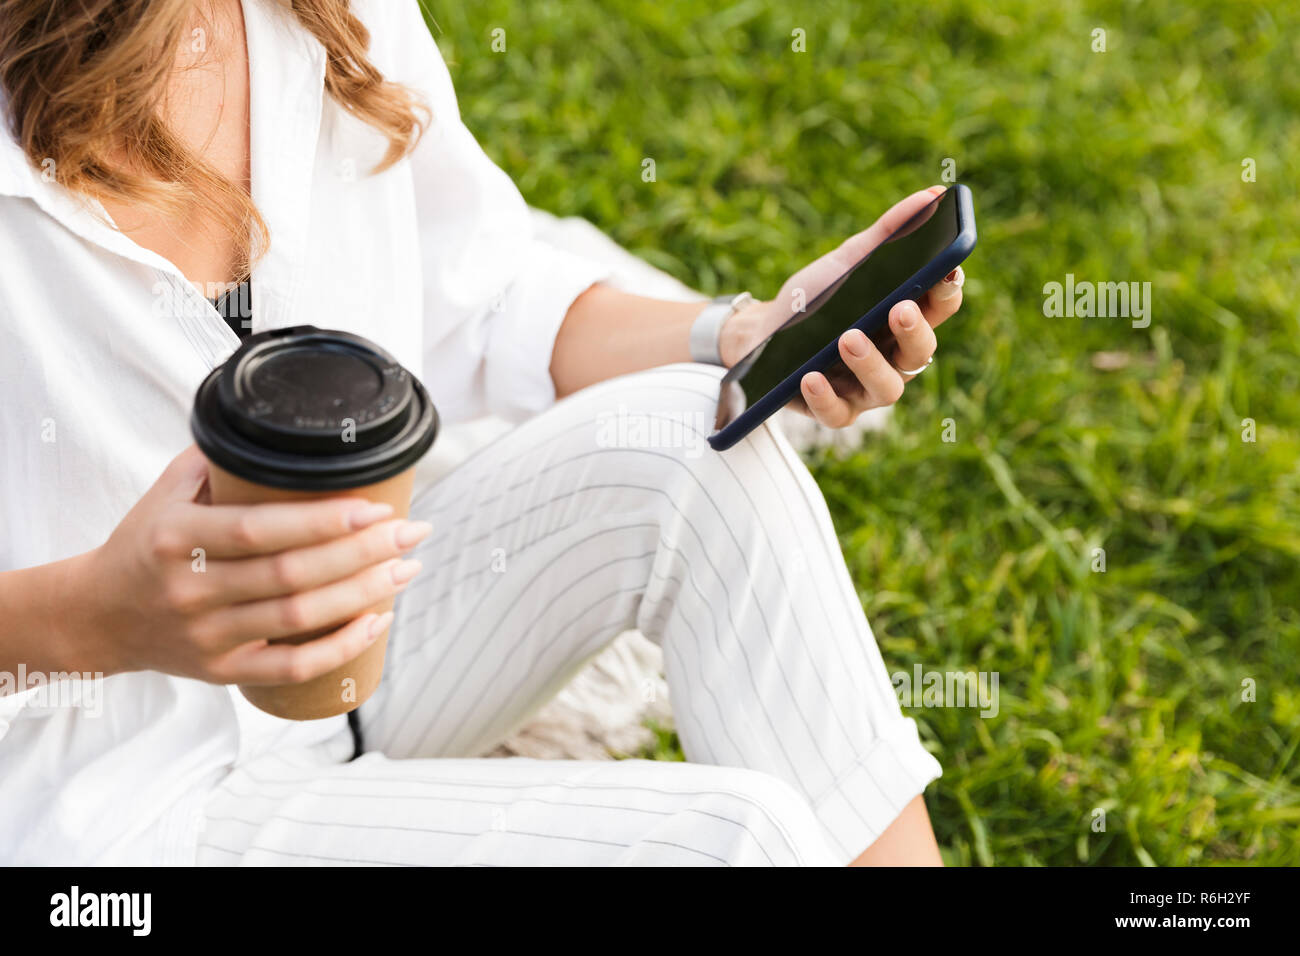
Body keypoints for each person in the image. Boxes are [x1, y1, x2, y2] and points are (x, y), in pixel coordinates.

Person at [0, 0, 965, 866]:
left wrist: (745, 336)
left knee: (687, 441)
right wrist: (99, 615)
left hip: (365, 650)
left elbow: (487, 297)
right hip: (107, 801)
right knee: (734, 844)